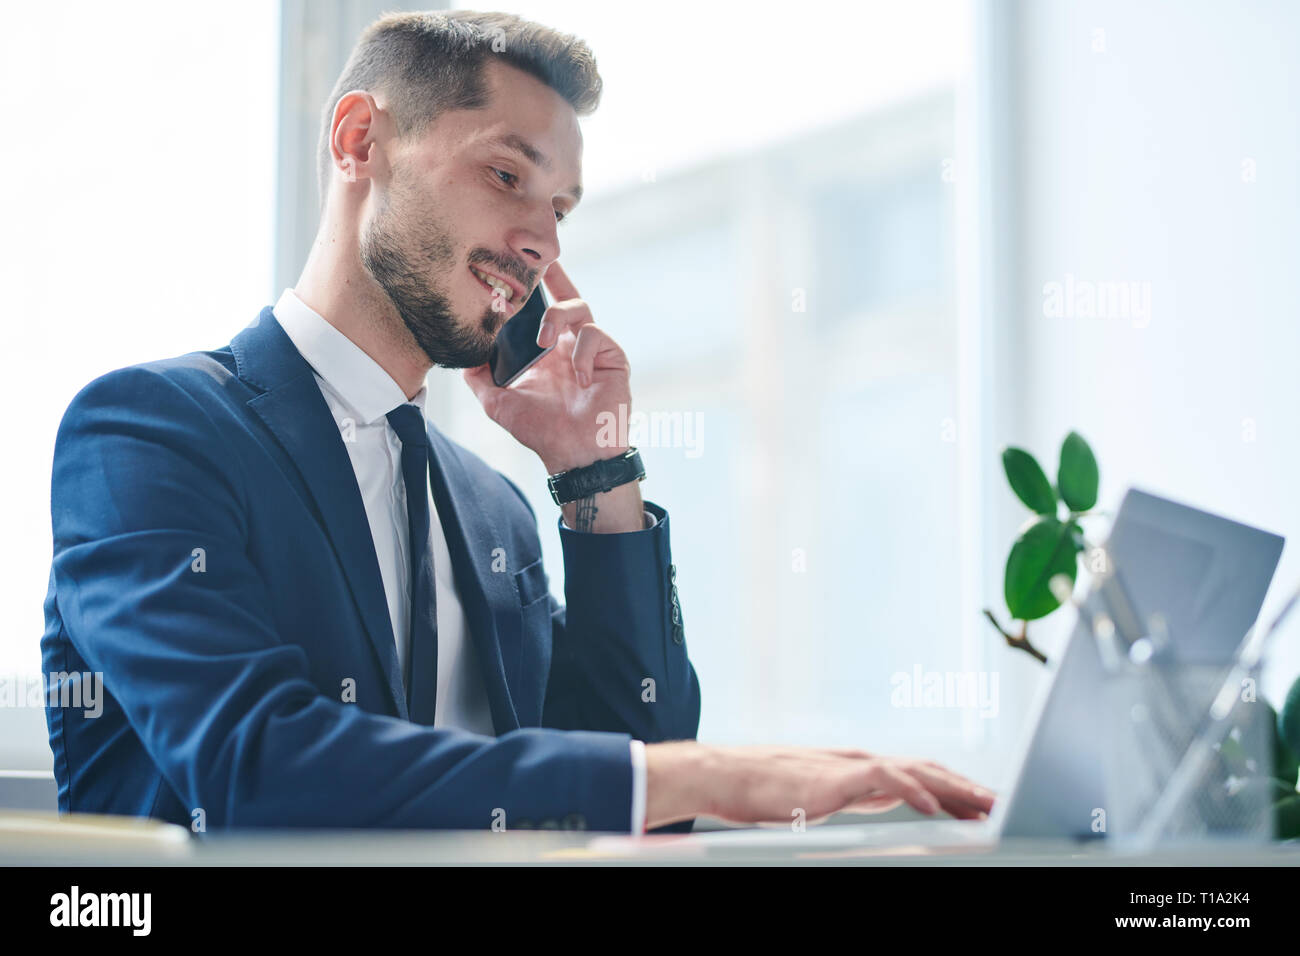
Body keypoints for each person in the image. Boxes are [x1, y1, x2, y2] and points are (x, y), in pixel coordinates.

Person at [41, 10, 993, 834]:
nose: (541, 241)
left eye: (561, 209)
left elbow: (630, 763)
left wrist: (593, 478)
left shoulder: (489, 506)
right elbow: (256, 770)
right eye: (507, 175)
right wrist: (708, 777)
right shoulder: (151, 432)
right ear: (359, 139)